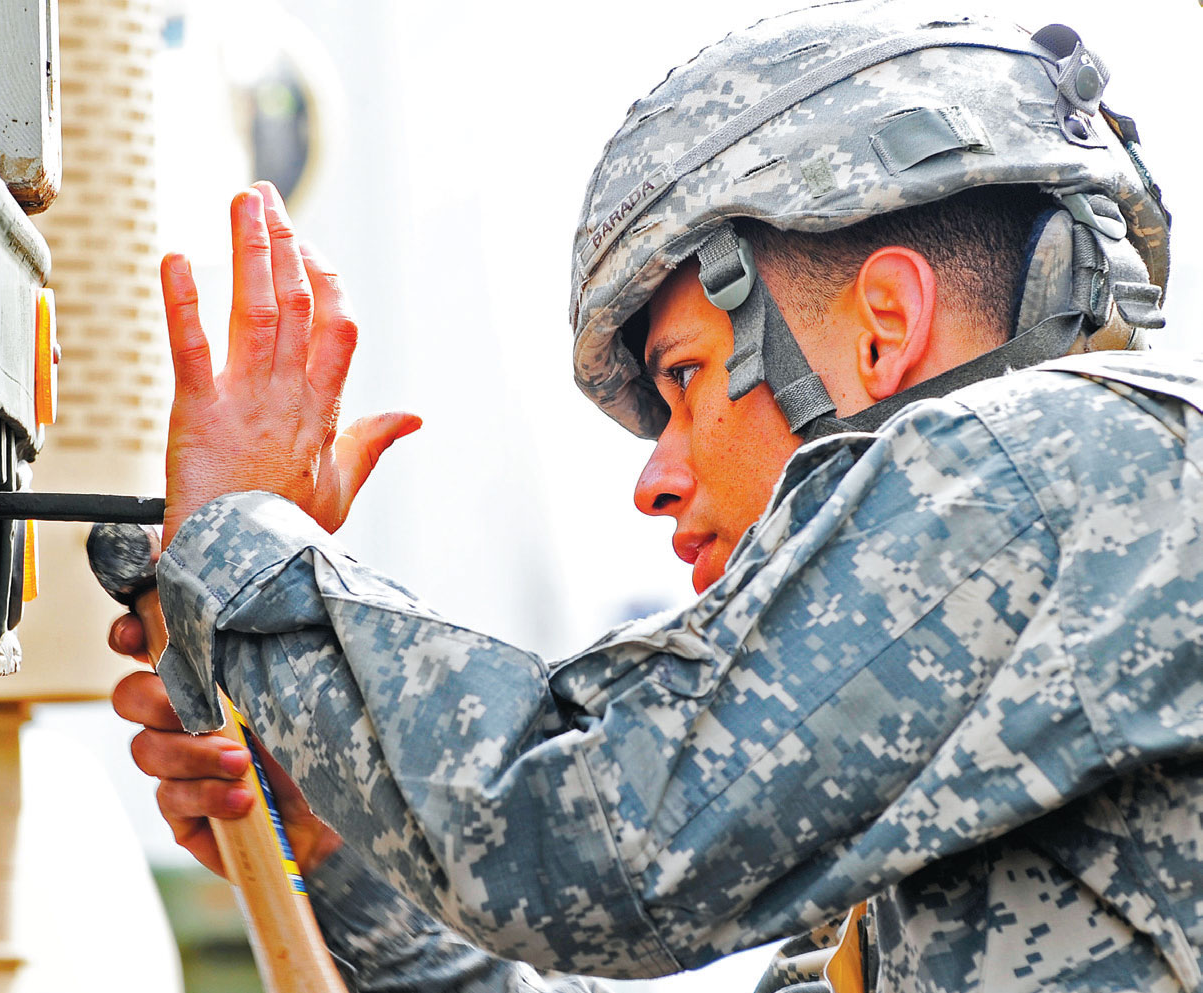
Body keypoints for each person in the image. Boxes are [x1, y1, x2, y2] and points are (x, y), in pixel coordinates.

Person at [110, 2, 1203, 990]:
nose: (655, 478)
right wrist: (340, 842)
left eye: (683, 379)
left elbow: (585, 838)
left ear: (883, 325)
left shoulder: (1062, 463)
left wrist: (240, 539)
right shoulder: (982, 740)